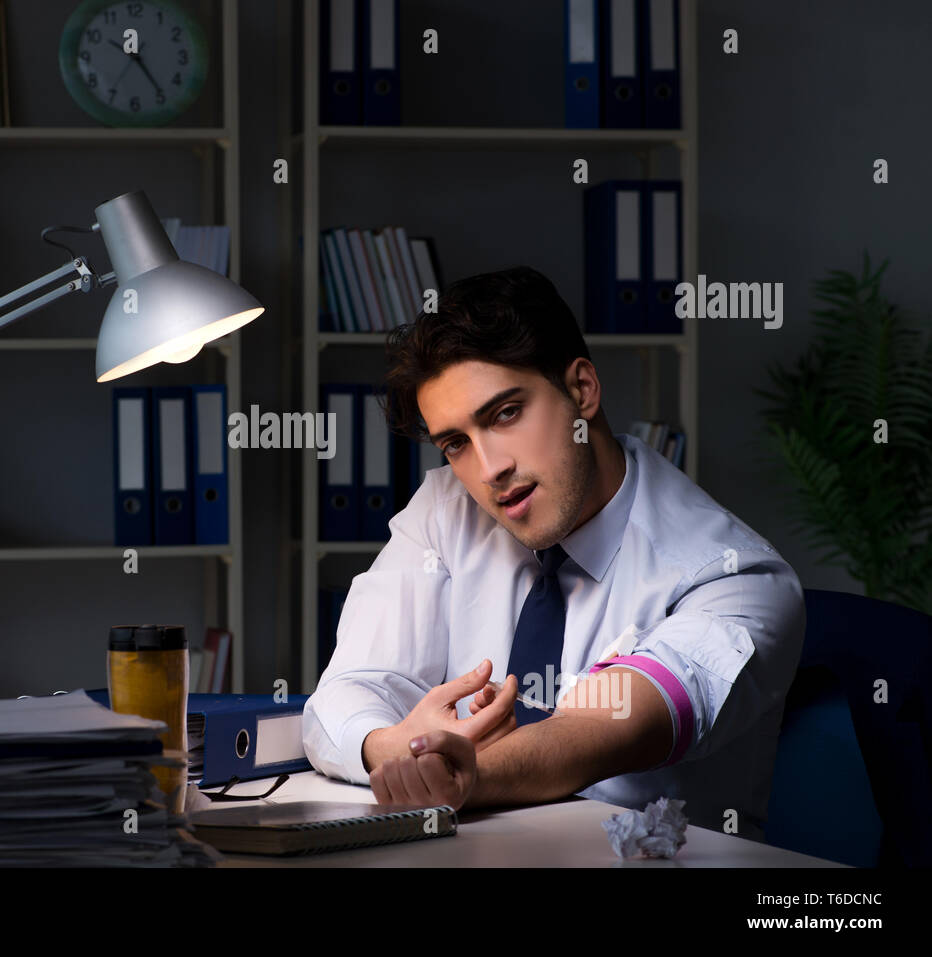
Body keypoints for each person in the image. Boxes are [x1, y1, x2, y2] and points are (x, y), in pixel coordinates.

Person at [301, 266, 805, 841]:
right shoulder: (446, 509)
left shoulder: (734, 578)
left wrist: (455, 773)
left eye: (506, 414)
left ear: (582, 390)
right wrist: (388, 746)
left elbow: (602, 731)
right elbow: (345, 692)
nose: (490, 469)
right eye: (456, 443)